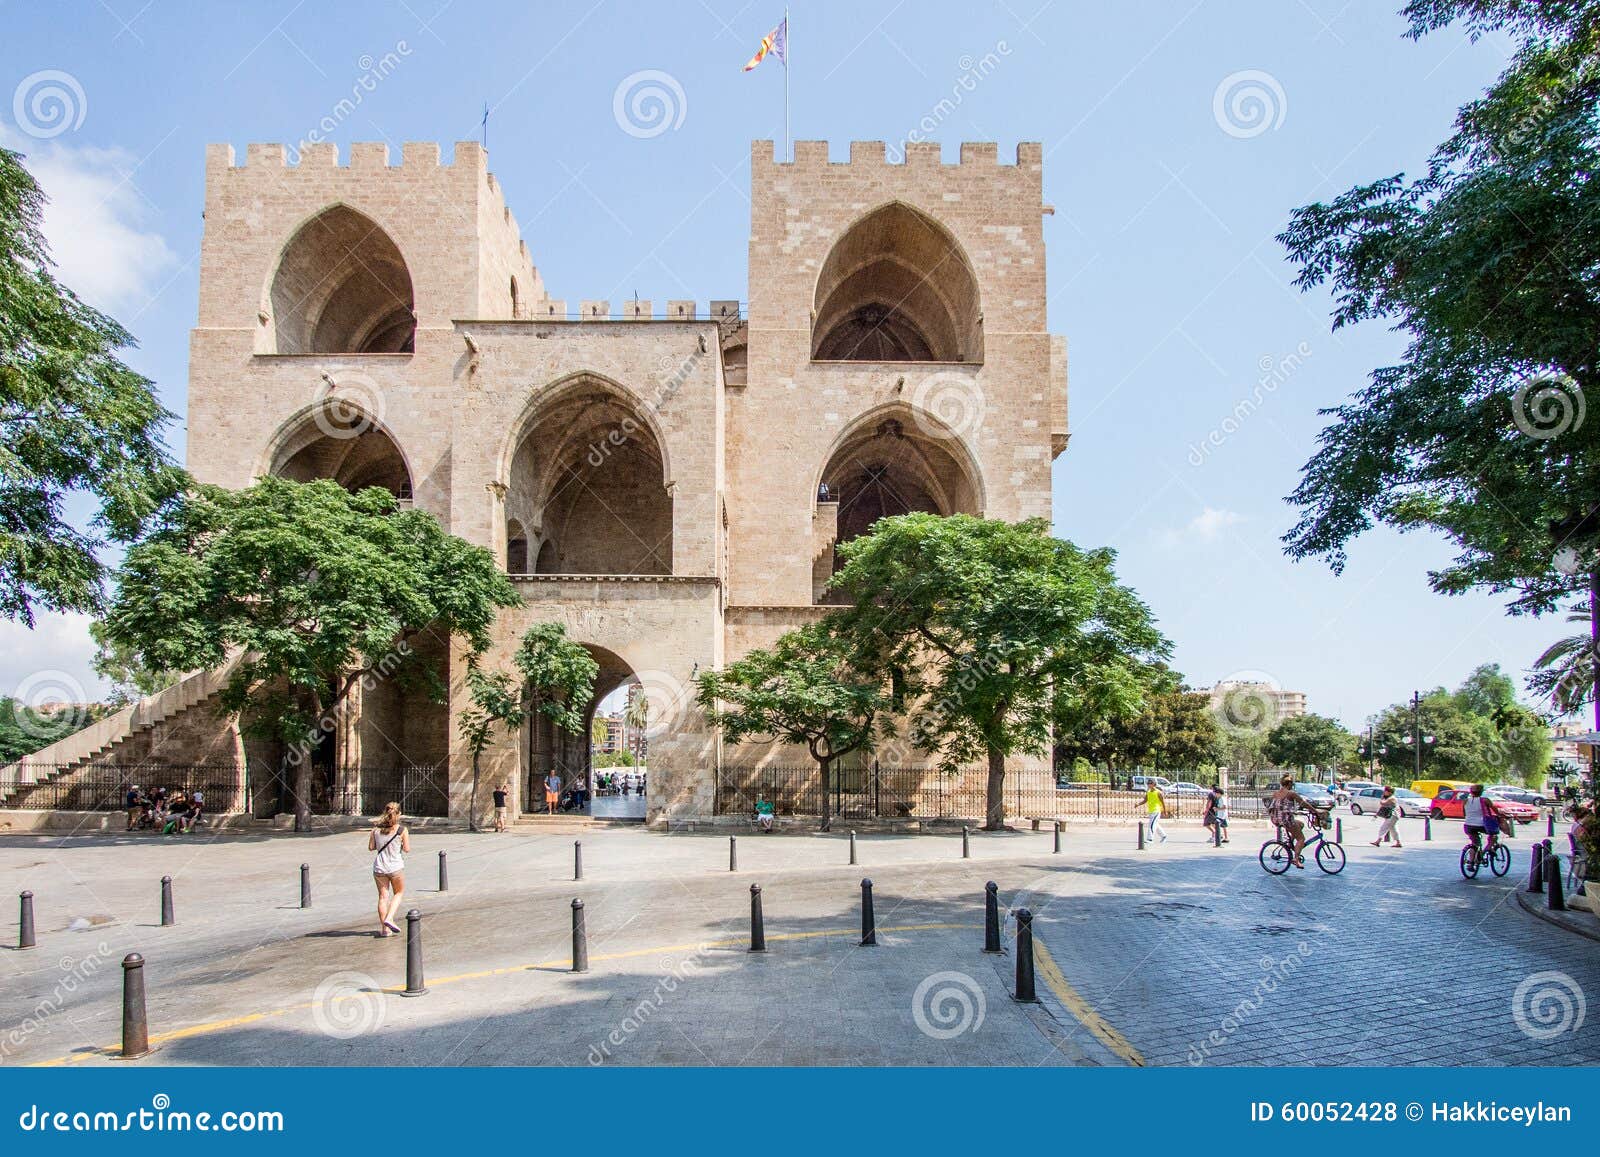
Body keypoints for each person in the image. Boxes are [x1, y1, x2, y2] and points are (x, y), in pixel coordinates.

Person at [368, 802, 410, 937]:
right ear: (398, 814)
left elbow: (371, 847)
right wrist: (401, 843)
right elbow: (407, 849)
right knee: (399, 893)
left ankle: (385, 930)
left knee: (382, 897)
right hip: (395, 866)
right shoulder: (401, 830)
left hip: (379, 867)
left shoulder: (375, 830)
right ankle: (389, 918)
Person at [1268, 775, 1314, 868]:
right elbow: (1303, 803)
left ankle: (1290, 842)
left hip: (1277, 819)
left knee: (1300, 824)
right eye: (1292, 783)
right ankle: (1296, 859)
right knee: (1301, 839)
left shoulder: (1276, 793)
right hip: (1286, 820)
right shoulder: (1291, 793)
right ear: (1289, 784)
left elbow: (1280, 806)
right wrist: (1315, 811)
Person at [1462, 782, 1500, 861]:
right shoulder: (1485, 800)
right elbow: (1495, 810)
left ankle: (1471, 862)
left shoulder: (1465, 801)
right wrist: (1501, 815)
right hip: (1482, 825)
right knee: (1493, 837)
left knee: (1475, 843)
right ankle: (1483, 852)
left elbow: (1464, 813)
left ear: (1471, 792)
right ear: (1481, 791)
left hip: (1468, 825)